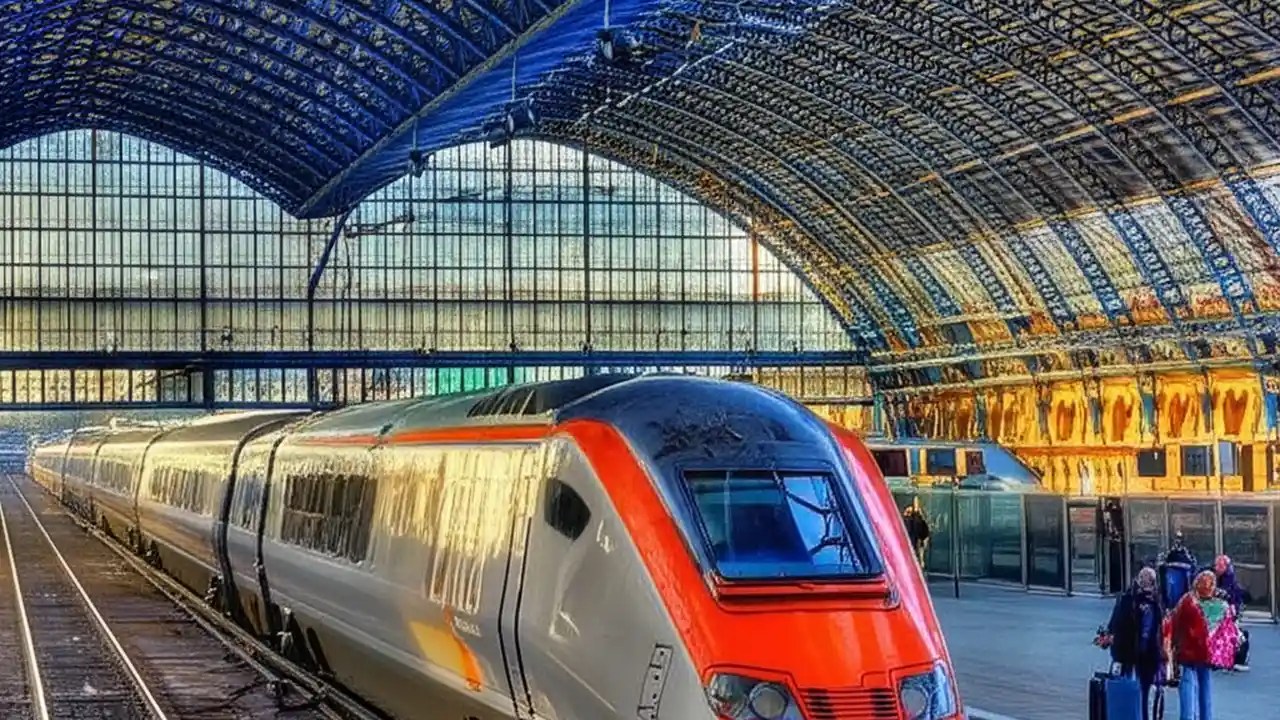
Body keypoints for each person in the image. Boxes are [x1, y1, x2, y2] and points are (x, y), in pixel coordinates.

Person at [1107, 567, 1164, 720]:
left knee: (1129, 686)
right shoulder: (1155, 601)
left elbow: (1115, 624)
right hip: (1143, 655)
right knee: (1143, 690)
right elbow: (1157, 629)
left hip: (1129, 653)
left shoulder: (1127, 598)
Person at [1170, 571, 1227, 720]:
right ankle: (1206, 716)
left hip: (1188, 652)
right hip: (1206, 652)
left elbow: (1174, 623)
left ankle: (1188, 716)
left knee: (1188, 686)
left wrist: (1173, 645)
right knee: (1205, 687)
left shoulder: (1187, 602)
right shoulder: (1218, 605)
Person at [1211, 555, 1250, 671]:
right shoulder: (1213, 576)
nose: (1217, 568)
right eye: (1217, 565)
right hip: (1219, 610)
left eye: (1221, 566)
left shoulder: (1229, 579)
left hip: (1228, 609)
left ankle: (1234, 658)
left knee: (1231, 633)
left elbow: (1233, 596)